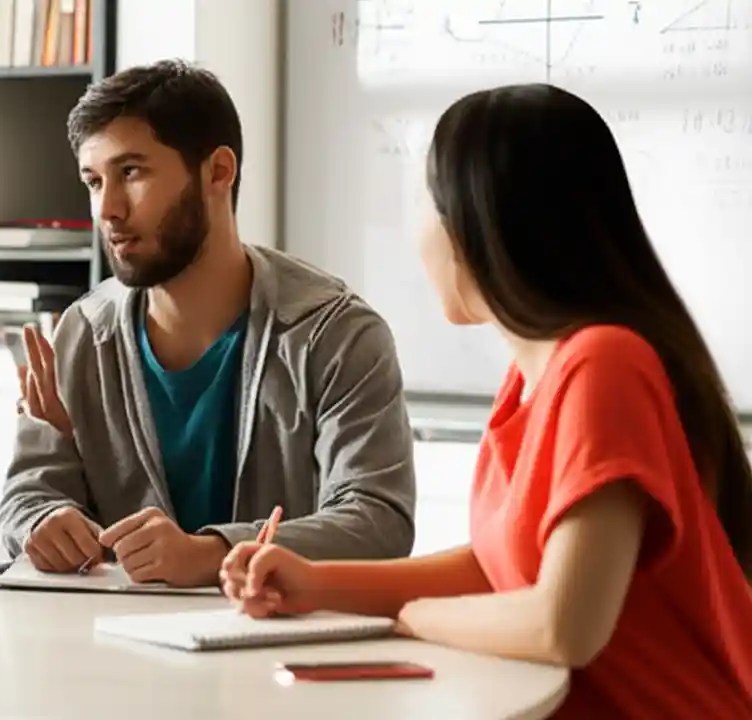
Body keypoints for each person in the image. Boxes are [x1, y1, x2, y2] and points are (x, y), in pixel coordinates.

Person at [221, 84, 752, 717]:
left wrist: (417, 618)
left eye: (425, 202)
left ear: (481, 219)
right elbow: (498, 567)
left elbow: (563, 626)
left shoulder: (605, 364)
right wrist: (315, 583)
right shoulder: (531, 380)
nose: (418, 235)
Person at [0, 59, 417, 588]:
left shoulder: (336, 335)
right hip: (110, 652)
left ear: (218, 171)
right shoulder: (82, 332)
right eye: (93, 180)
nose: (108, 208)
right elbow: (27, 496)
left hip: (279, 649)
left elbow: (379, 523)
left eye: (132, 172)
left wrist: (213, 551)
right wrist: (42, 521)